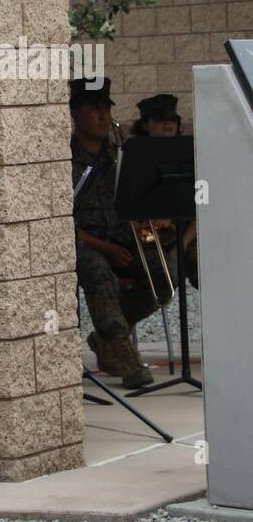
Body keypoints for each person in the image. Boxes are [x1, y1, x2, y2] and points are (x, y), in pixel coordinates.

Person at [69, 77, 172, 389]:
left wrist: (146, 223)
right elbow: (62, 225)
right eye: (94, 109)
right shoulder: (63, 158)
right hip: (83, 244)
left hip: (120, 238)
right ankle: (124, 357)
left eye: (106, 108)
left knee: (163, 274)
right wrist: (107, 249)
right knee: (98, 269)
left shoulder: (119, 155)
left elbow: (133, 199)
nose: (103, 116)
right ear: (75, 114)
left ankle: (108, 338)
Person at [129, 93, 199, 289]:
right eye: (160, 119)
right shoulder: (133, 161)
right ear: (145, 125)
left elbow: (203, 205)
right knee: (167, 276)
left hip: (186, 236)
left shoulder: (190, 156)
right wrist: (152, 228)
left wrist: (181, 244)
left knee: (210, 266)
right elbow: (128, 216)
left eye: (172, 119)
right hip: (148, 241)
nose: (168, 124)